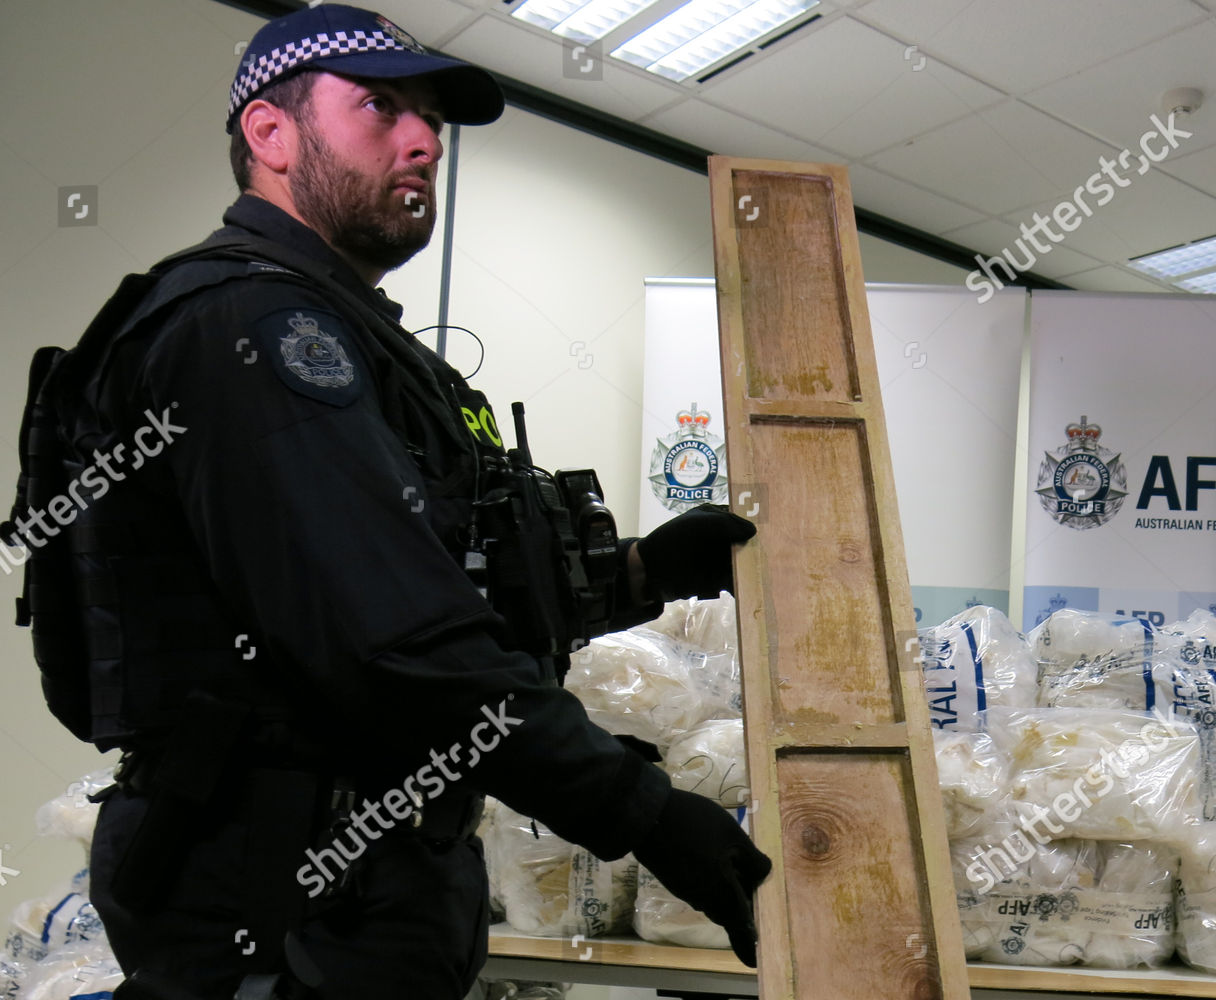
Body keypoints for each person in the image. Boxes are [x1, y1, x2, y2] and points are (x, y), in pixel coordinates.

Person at [4, 5, 770, 998]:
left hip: (368, 881)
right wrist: (647, 814)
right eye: (379, 107)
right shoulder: (252, 333)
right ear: (270, 134)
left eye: (430, 123)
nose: (421, 140)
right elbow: (396, 641)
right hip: (286, 892)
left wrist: (639, 574)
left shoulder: (367, 346)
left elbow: (450, 581)